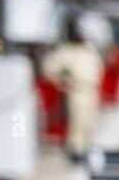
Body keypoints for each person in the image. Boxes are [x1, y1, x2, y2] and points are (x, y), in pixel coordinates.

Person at [41, 16, 103, 160]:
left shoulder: (89, 49)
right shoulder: (66, 50)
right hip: (77, 90)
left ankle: (85, 147)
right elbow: (50, 69)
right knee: (77, 121)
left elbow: (98, 68)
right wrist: (62, 82)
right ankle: (75, 150)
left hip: (91, 89)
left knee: (89, 122)